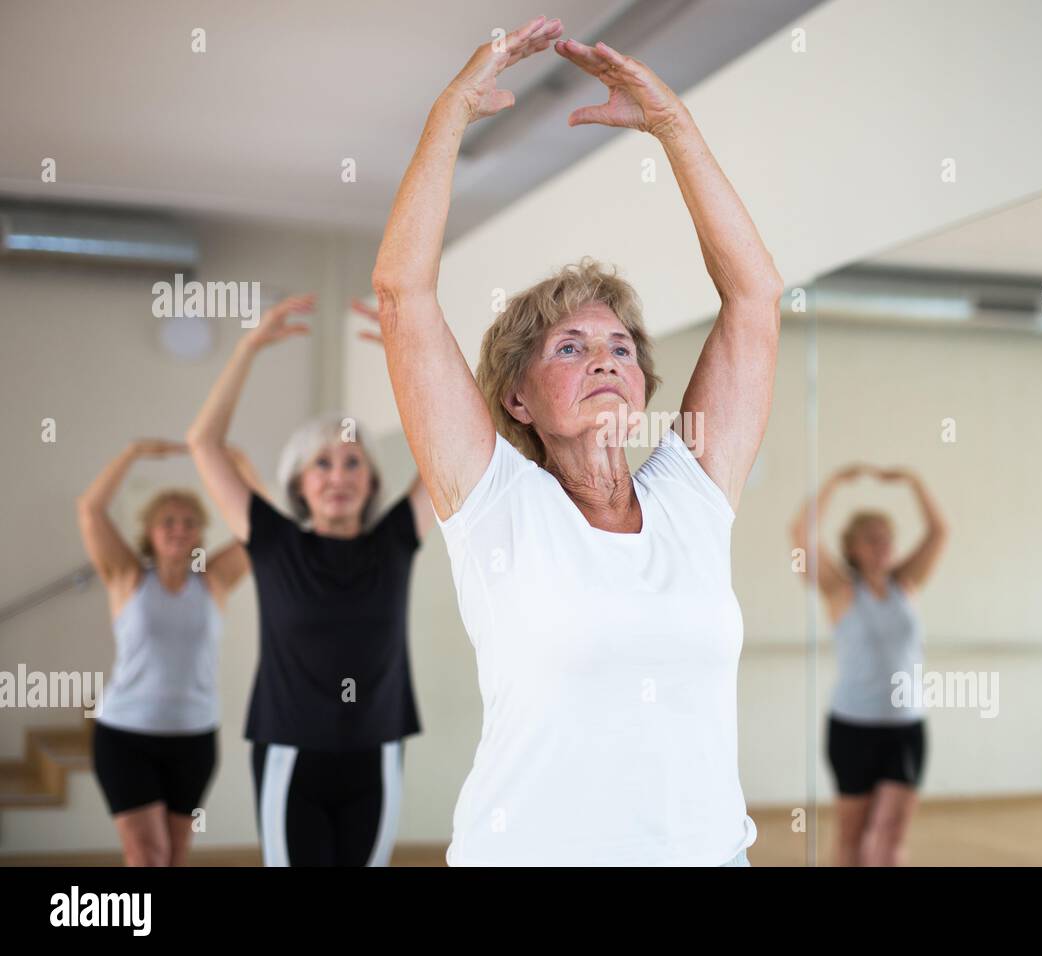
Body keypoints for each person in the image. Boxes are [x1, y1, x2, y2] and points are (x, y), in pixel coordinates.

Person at [371, 15, 783, 865]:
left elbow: (755, 301)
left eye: (620, 346)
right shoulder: (496, 505)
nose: (605, 358)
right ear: (516, 398)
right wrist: (444, 118)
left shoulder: (692, 500)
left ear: (642, 385)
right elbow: (403, 296)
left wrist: (677, 131)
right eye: (571, 347)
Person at [186, 294, 435, 866]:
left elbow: (455, 437)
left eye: (353, 463)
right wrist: (249, 347)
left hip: (378, 749)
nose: (338, 476)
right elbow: (204, 443)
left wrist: (413, 352)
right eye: (321, 463)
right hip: (290, 750)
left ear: (373, 483)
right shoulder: (273, 542)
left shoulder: (395, 540)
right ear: (299, 483)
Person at [77, 439, 257, 865]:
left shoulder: (213, 579)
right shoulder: (126, 576)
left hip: (194, 741)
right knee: (147, 854)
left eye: (190, 521)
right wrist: (132, 453)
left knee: (174, 855)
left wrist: (243, 464)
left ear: (200, 532)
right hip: (124, 737)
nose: (180, 528)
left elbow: (260, 528)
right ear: (150, 532)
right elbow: (90, 510)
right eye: (169, 521)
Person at [790, 464, 947, 866]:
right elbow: (800, 535)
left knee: (891, 837)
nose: (882, 545)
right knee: (853, 841)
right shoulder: (840, 590)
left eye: (887, 538)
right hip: (853, 729)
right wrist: (834, 482)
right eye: (871, 538)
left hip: (906, 728)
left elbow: (939, 532)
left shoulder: (906, 584)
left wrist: (915, 482)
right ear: (852, 547)